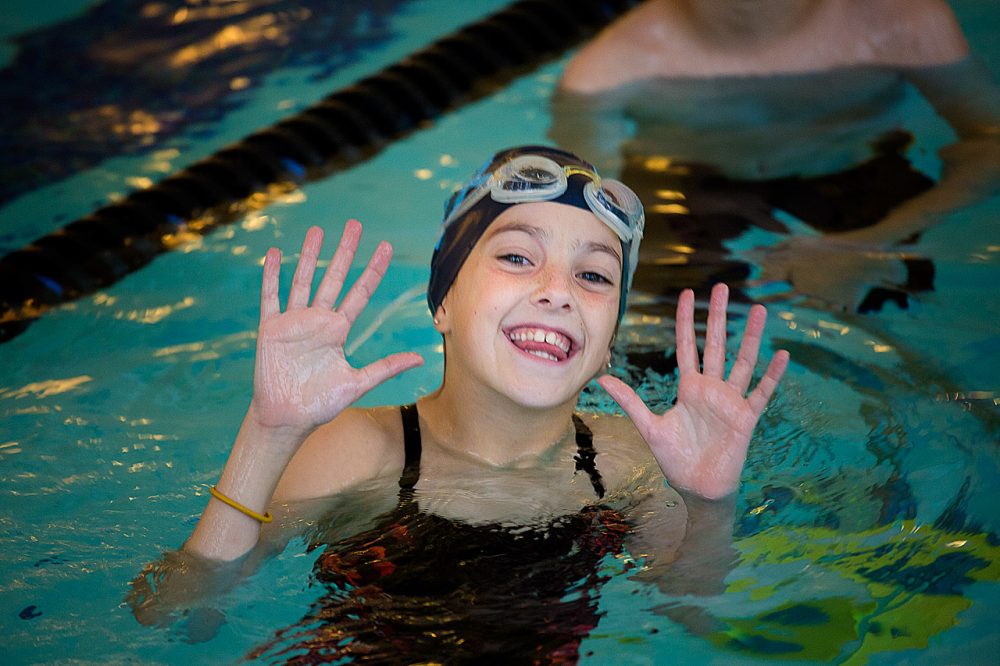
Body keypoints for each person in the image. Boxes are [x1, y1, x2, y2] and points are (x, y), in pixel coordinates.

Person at [128, 145, 789, 661]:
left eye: (593, 275)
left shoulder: (625, 463)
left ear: (609, 339)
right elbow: (179, 618)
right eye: (517, 257)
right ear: (442, 302)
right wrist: (267, 434)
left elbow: (690, 616)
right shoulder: (358, 453)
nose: (558, 291)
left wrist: (709, 505)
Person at [551, 0, 1000, 313]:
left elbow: (991, 143)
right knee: (662, 346)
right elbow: (583, 211)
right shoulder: (606, 72)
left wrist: (871, 244)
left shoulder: (903, 24)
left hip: (852, 170)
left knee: (894, 308)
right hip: (687, 188)